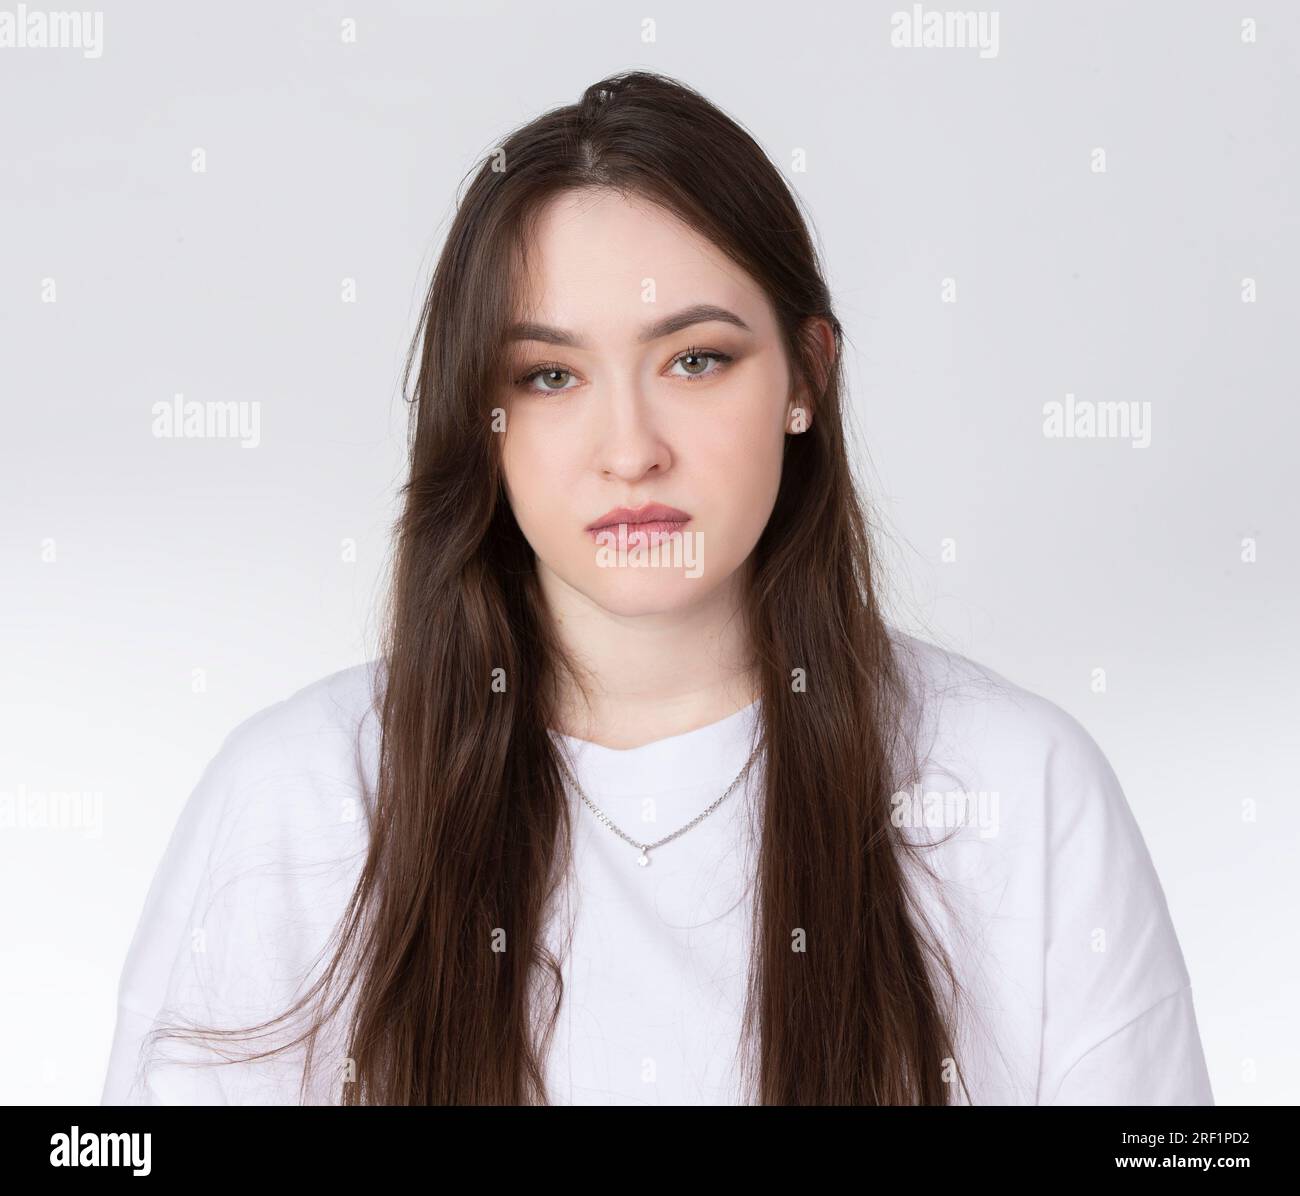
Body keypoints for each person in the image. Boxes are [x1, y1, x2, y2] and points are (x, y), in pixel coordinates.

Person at [101, 70, 1213, 1106]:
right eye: (547, 376)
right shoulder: (300, 797)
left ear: (806, 376)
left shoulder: (1019, 789)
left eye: (695, 359)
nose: (627, 449)